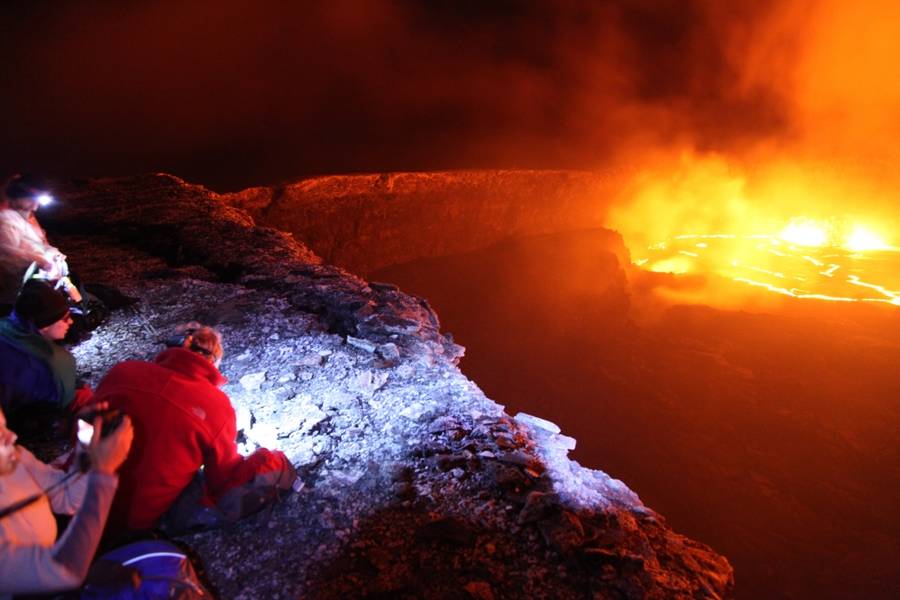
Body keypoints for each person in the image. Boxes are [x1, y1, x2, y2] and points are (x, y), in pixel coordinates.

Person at [94, 322, 297, 536]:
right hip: (133, 519)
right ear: (214, 361)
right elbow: (222, 480)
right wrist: (270, 459)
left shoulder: (123, 371)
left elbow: (85, 426)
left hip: (80, 495)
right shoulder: (216, 405)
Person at [0, 403, 134, 596]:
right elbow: (66, 572)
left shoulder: (15, 458)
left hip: (54, 561)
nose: (12, 437)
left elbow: (67, 498)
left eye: (5, 426)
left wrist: (87, 439)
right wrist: (103, 474)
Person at [0, 279, 91, 433]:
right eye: (64, 318)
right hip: (14, 414)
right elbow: (64, 399)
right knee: (84, 397)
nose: (70, 321)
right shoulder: (51, 362)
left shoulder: (5, 323)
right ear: (45, 324)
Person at [0, 174, 69, 315]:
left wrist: (53, 253)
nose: (35, 207)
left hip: (32, 282)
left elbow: (38, 242)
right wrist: (38, 259)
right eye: (32, 201)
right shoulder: (5, 219)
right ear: (18, 196)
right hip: (14, 292)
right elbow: (6, 254)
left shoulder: (23, 214)